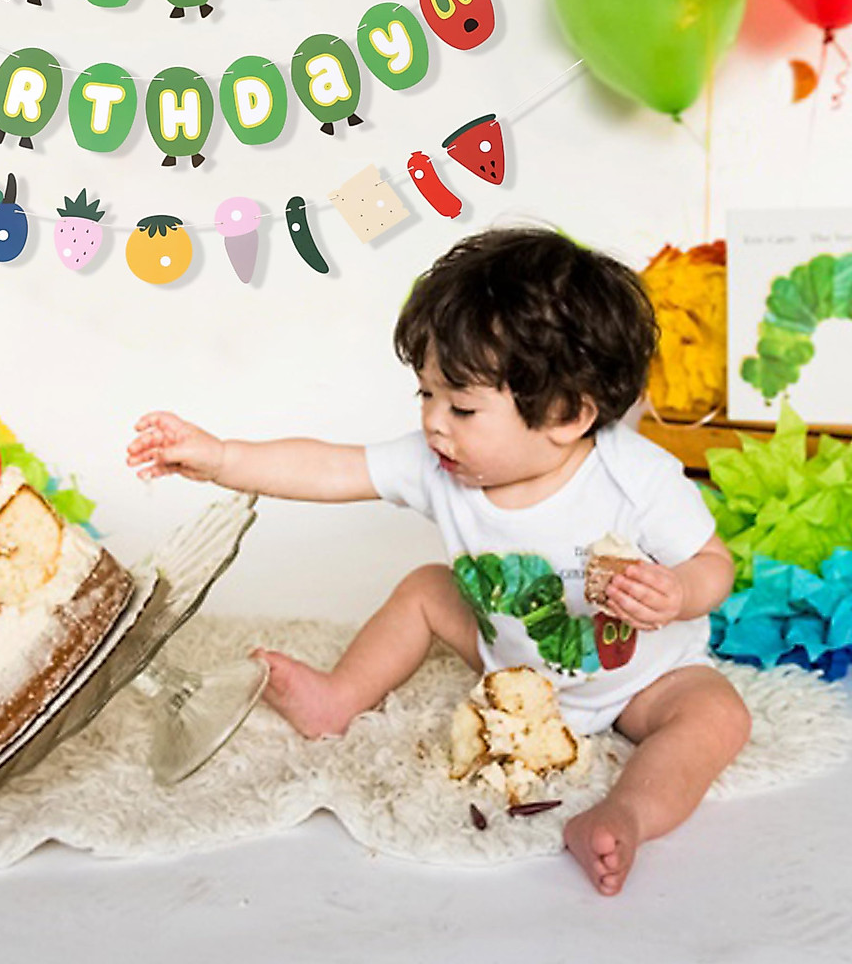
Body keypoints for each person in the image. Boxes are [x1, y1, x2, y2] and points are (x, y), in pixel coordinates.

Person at [126, 226, 750, 897]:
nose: (433, 422)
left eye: (462, 406)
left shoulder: (636, 478)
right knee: (428, 589)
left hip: (640, 678)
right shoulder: (439, 463)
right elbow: (333, 468)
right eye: (426, 395)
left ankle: (626, 813)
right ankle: (337, 698)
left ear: (568, 414)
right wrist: (223, 457)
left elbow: (712, 563)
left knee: (717, 716)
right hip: (512, 665)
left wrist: (677, 592)